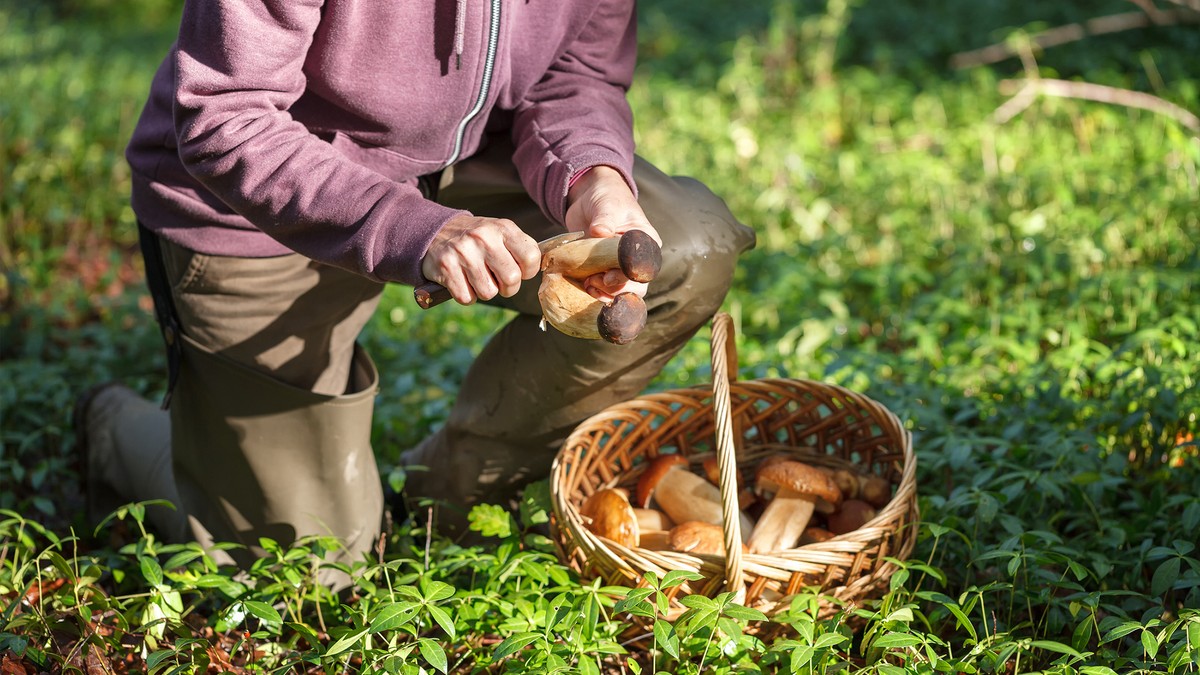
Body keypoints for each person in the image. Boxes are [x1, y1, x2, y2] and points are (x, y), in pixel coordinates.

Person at [76, 0, 755, 584]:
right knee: (304, 568)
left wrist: (594, 178)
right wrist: (413, 231)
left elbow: (574, 72)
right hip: (260, 201)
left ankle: (446, 495)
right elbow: (226, 118)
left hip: (465, 156)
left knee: (682, 252)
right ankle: (117, 429)